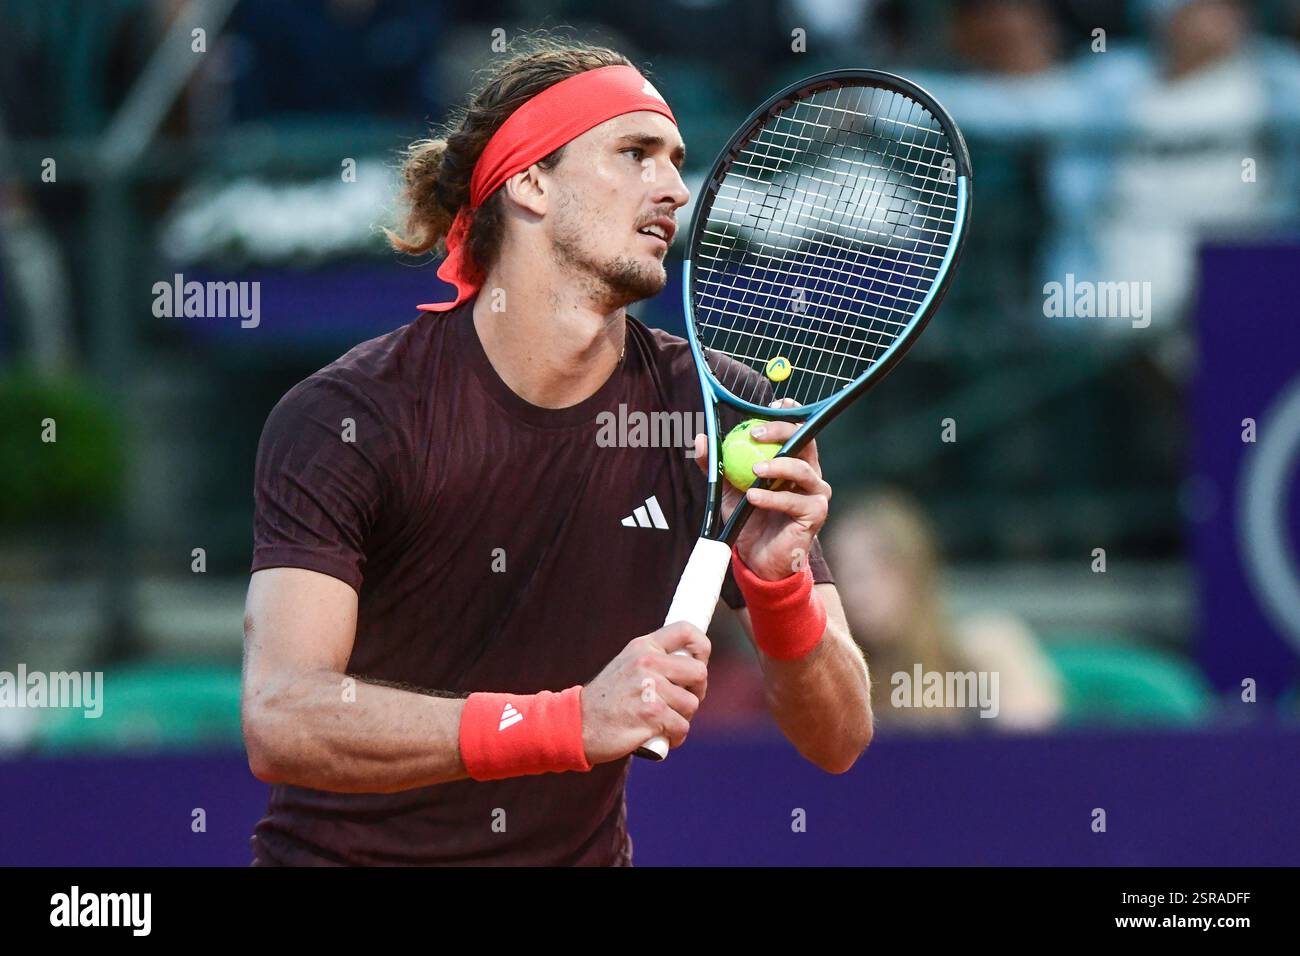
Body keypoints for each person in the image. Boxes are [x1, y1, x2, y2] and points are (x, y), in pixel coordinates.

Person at [240, 39, 872, 866]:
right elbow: (284, 716)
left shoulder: (714, 406)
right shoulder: (351, 416)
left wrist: (778, 585)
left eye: (676, 162)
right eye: (635, 155)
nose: (674, 189)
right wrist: (569, 722)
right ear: (531, 182)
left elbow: (841, 737)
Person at [826, 491, 1062, 732]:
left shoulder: (988, 651)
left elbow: (1036, 755)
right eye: (842, 572)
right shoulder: (833, 685)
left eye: (876, 567)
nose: (856, 591)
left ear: (917, 570)